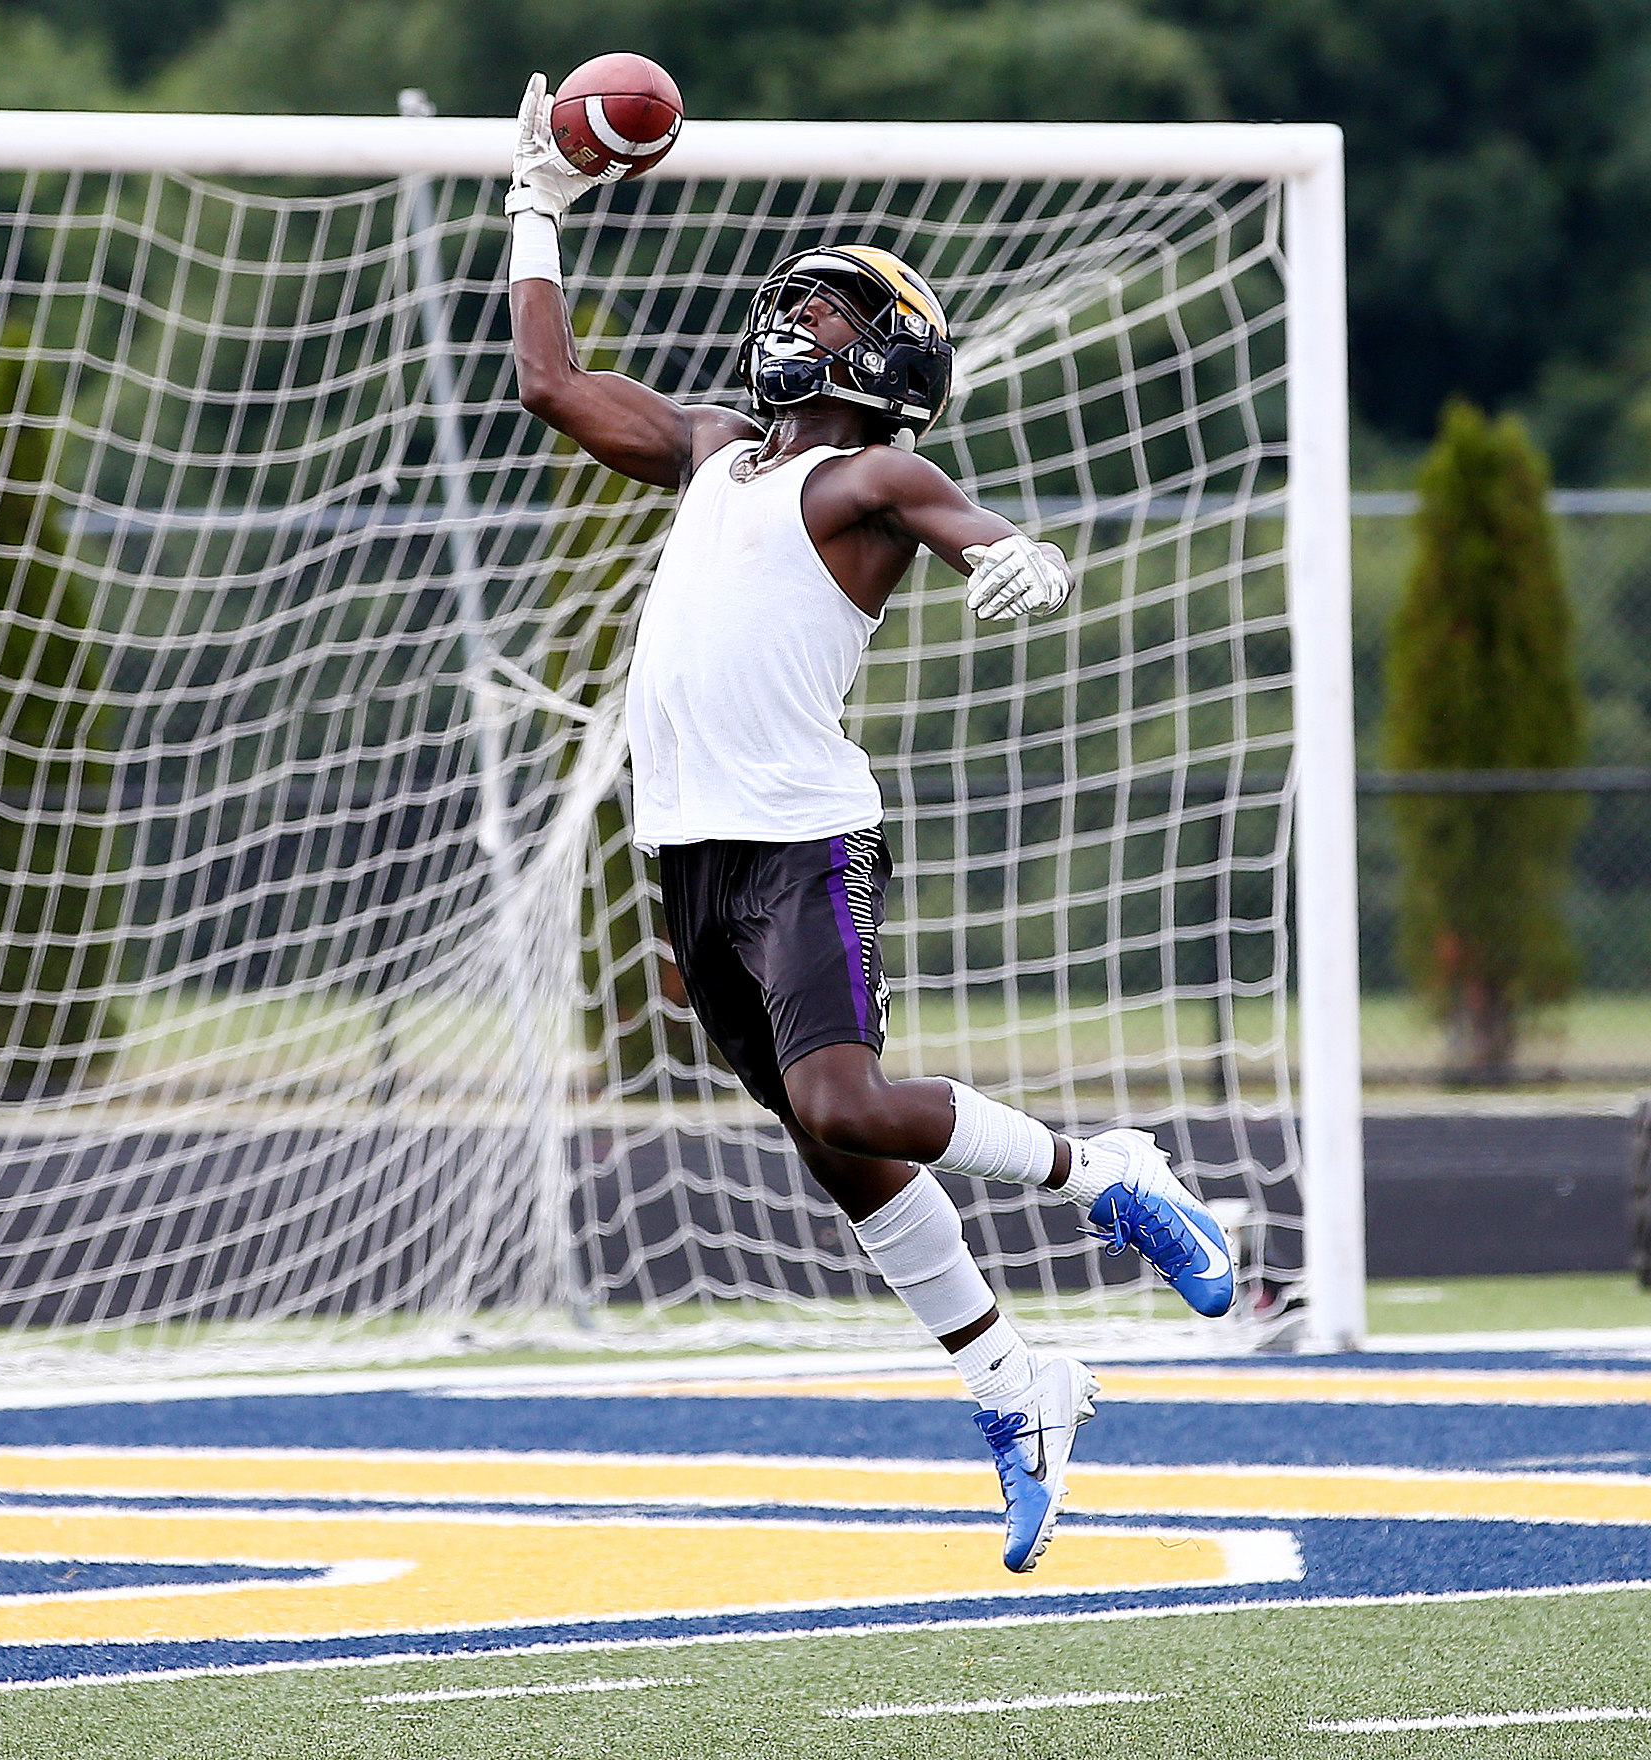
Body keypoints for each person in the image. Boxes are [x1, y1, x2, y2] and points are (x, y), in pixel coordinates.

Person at [500, 75, 1236, 1575]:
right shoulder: (715, 449)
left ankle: (1109, 1171)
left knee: (844, 1101)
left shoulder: (869, 474)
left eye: (834, 312)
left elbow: (968, 527)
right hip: (689, 857)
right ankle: (1014, 1389)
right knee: (835, 1151)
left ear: (889, 355)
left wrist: (1017, 559)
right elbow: (553, 386)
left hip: (798, 842)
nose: (801, 315)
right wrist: (540, 206)